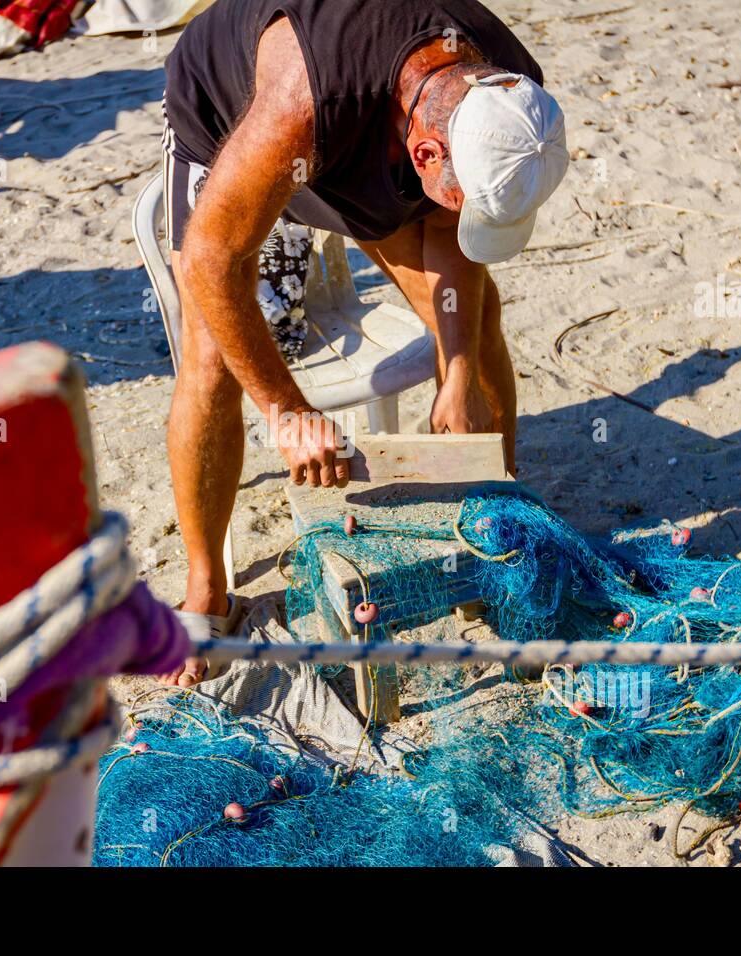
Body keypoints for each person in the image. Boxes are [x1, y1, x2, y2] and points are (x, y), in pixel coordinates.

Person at [160, 0, 568, 685]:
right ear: (426, 153)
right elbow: (211, 261)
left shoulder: (511, 95)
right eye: (456, 193)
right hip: (235, 114)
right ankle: (206, 589)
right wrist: (287, 411)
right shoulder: (306, 100)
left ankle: (499, 527)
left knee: (475, 315)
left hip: (364, 135)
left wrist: (460, 368)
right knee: (211, 362)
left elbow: (450, 231)